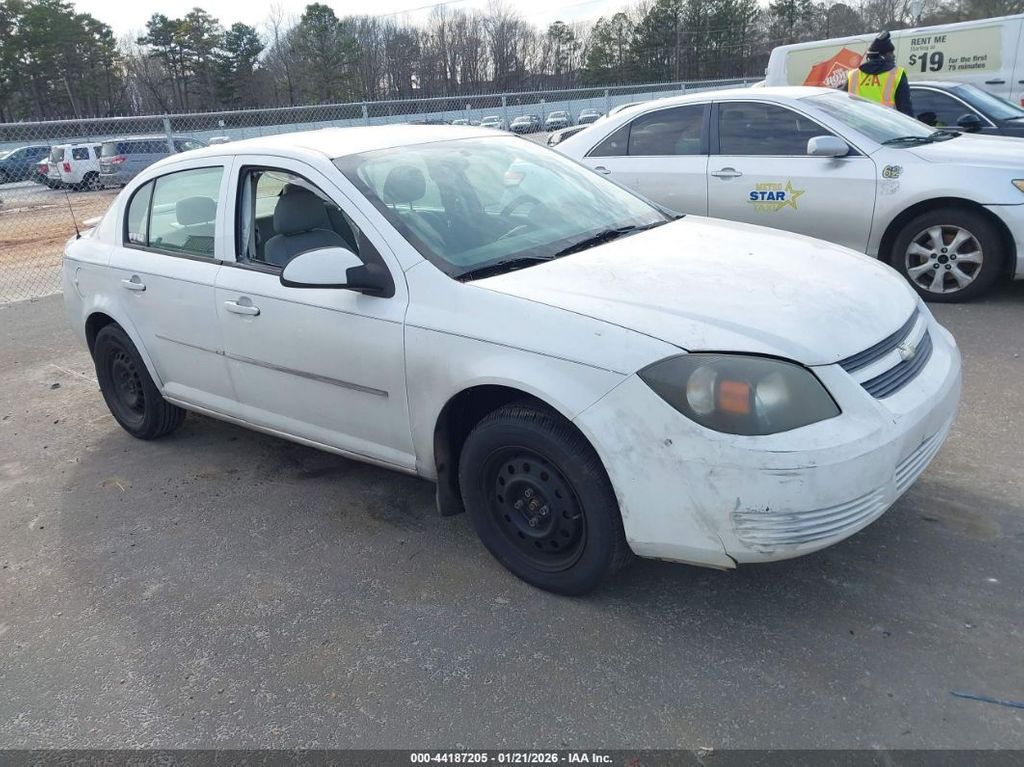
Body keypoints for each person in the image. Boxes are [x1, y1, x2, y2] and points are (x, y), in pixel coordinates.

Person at [841, 31, 913, 116]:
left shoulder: (854, 75)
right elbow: (905, 110)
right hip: (884, 127)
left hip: (853, 127)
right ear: (882, 56)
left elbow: (842, 104)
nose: (893, 56)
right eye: (890, 53)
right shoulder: (897, 74)